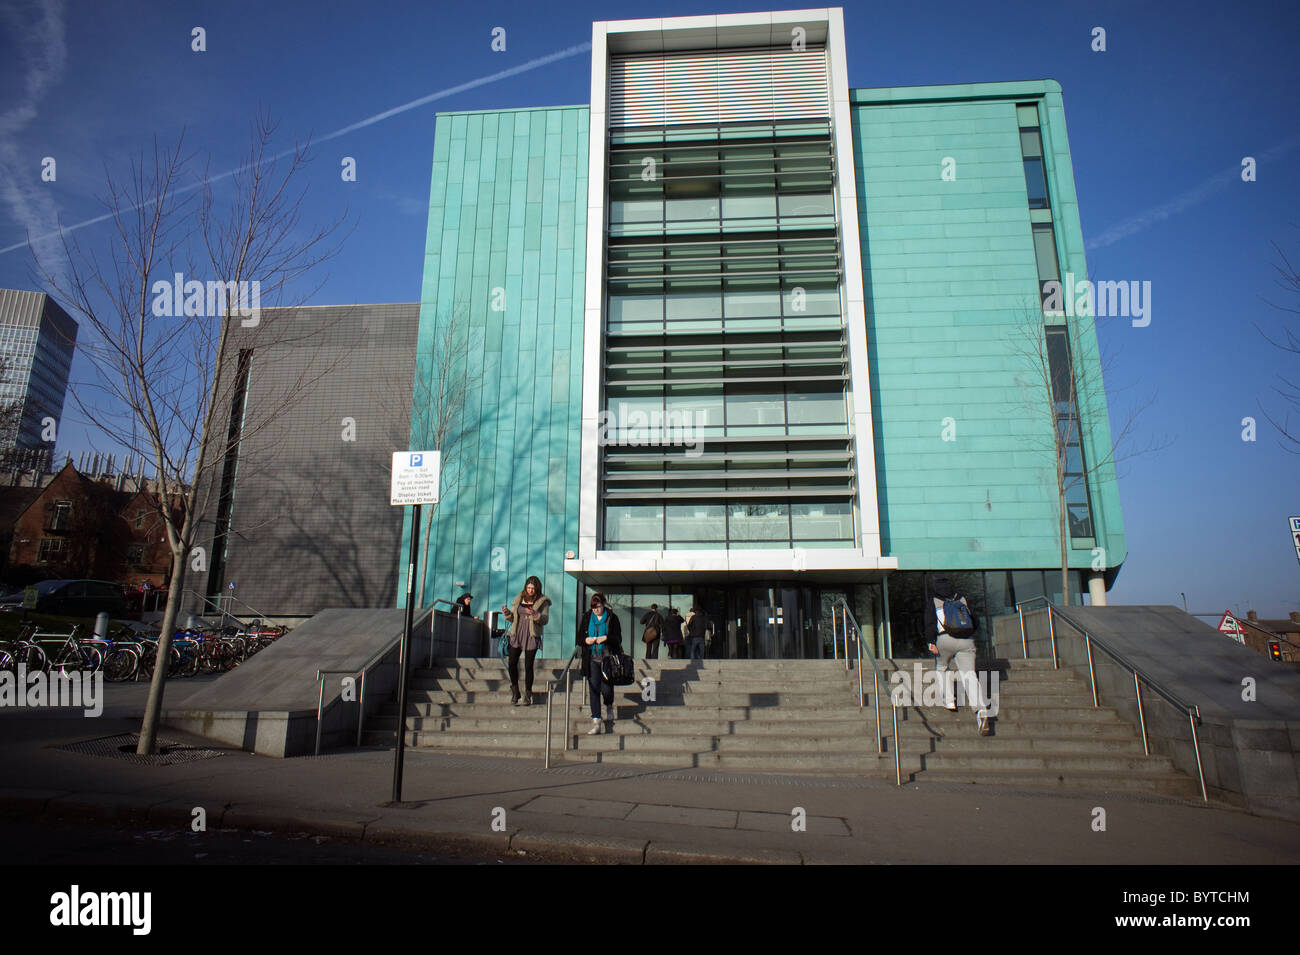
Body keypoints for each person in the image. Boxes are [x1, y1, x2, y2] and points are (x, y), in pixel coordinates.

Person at [926, 576, 991, 735]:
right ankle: (980, 709)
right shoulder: (961, 598)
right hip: (965, 641)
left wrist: (930, 641)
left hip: (944, 639)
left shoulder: (934, 601)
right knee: (969, 674)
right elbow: (974, 621)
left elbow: (928, 622)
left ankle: (949, 700)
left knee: (942, 667)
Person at [578, 592, 623, 735]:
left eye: (598, 607)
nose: (596, 610)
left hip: (607, 658)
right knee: (594, 688)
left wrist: (606, 638)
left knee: (607, 688)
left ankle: (609, 705)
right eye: (593, 608)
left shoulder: (612, 618)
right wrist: (586, 640)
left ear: (603, 605)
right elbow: (579, 637)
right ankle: (596, 720)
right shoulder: (587, 618)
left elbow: (618, 639)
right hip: (592, 658)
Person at [501, 575, 549, 706]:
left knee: (528, 665)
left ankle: (528, 693)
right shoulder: (519, 598)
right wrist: (506, 613)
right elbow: (513, 618)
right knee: (512, 662)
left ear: (537, 588)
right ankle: (515, 690)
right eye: (528, 588)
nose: (530, 590)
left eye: (533, 588)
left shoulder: (542, 601)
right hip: (517, 634)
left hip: (531, 635)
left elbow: (545, 620)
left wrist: (535, 614)